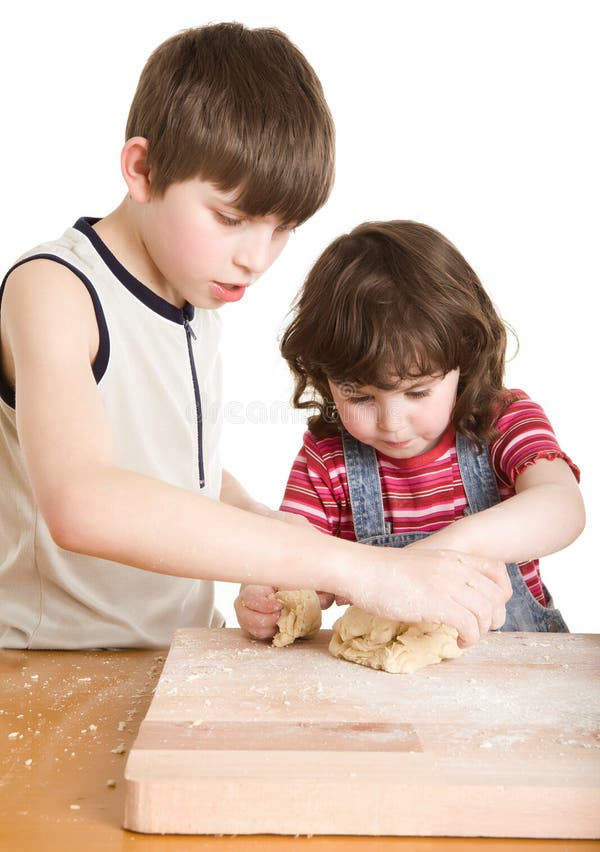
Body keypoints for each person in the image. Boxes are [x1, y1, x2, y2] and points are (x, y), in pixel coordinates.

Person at [0, 27, 509, 650]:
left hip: (175, 650)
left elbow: (181, 477)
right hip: (47, 668)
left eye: (282, 228)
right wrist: (364, 568)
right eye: (231, 219)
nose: (256, 258)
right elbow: (84, 499)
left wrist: (291, 547)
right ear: (143, 168)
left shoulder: (194, 297)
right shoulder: (54, 290)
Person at [235, 220, 584, 639]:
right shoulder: (327, 461)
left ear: (463, 362)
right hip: (390, 695)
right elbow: (288, 556)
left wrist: (439, 551)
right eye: (360, 398)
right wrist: (266, 596)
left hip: (514, 675)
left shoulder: (503, 423)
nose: (392, 422)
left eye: (417, 392)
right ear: (323, 378)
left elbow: (562, 508)